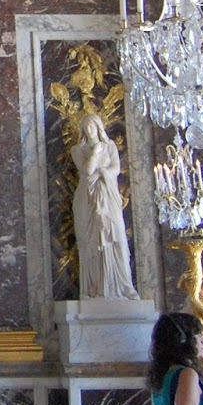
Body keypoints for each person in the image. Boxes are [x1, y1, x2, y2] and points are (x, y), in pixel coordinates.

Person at [71, 112, 140, 300]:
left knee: (116, 236)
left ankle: (124, 286)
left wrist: (102, 172)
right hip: (87, 199)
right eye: (85, 128)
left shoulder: (110, 146)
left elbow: (115, 169)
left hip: (108, 197)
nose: (88, 130)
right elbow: (86, 171)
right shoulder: (78, 150)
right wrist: (96, 152)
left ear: (99, 127)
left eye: (92, 127)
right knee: (92, 244)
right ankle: (96, 287)